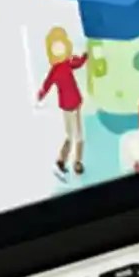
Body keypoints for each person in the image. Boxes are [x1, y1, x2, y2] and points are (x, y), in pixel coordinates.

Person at [37, 27, 89, 175]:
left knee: (78, 134)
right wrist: (41, 93)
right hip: (66, 105)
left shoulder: (68, 63)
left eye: (61, 46)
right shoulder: (55, 69)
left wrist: (85, 57)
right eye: (55, 47)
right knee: (70, 135)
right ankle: (62, 160)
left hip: (75, 102)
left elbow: (77, 63)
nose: (59, 50)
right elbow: (47, 83)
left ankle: (77, 162)